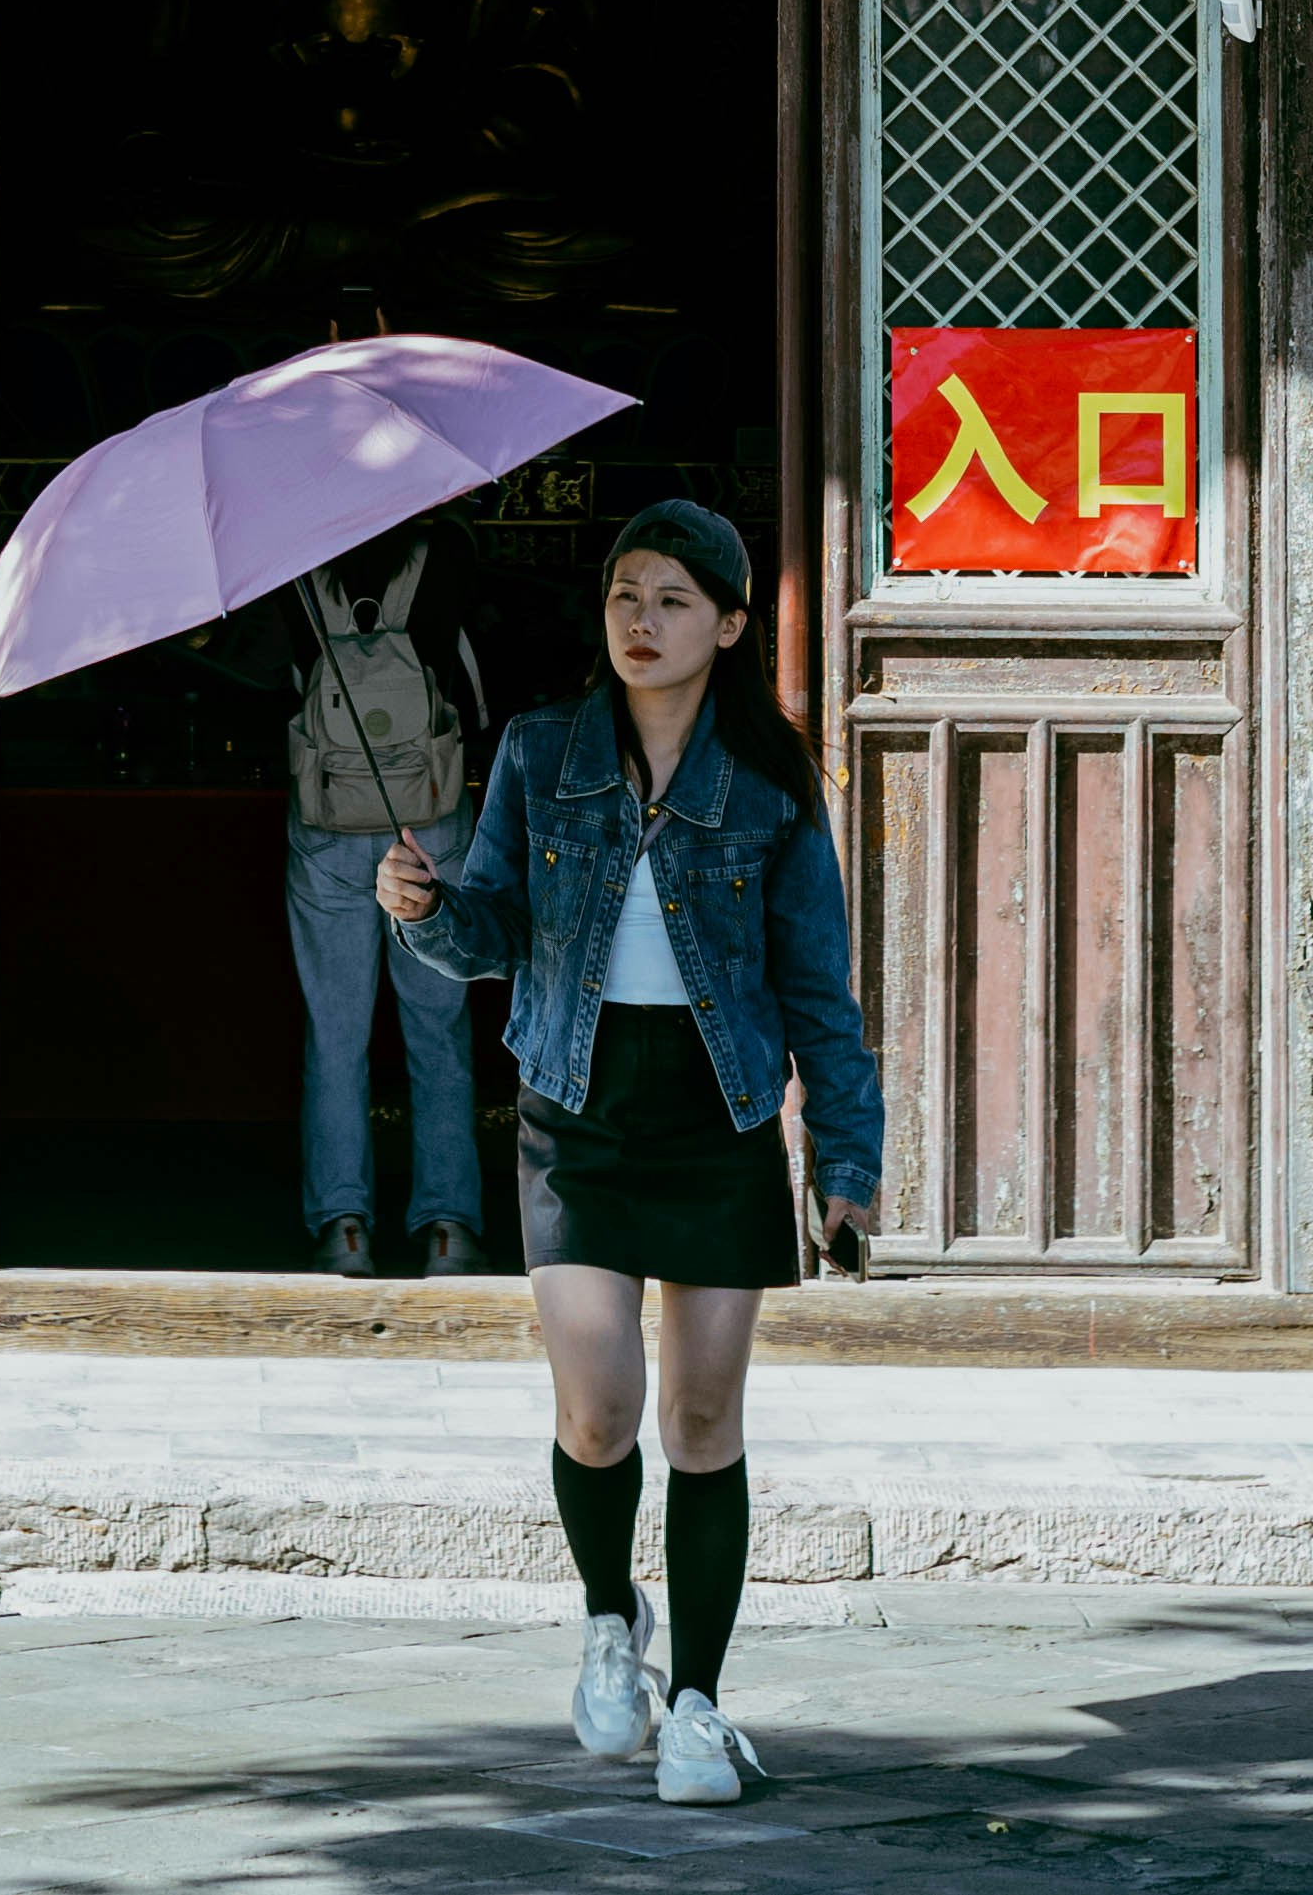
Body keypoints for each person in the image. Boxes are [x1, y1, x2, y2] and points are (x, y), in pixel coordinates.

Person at [379, 499, 882, 1810]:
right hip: (576, 1116)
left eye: (667, 598)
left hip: (713, 1119)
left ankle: (701, 1710)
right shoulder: (542, 753)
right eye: (620, 595)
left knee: (701, 1419)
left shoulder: (770, 784)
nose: (638, 620)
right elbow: (491, 928)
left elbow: (816, 989)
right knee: (596, 1407)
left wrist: (845, 1152)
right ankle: (611, 1615)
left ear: (725, 623)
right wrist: (427, 909)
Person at [200, 519, 492, 1274]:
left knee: (335, 1034)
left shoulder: (291, 560)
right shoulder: (450, 551)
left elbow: (260, 668)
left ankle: (345, 1226)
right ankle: (447, 1229)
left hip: (327, 820)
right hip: (431, 822)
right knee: (439, 1031)